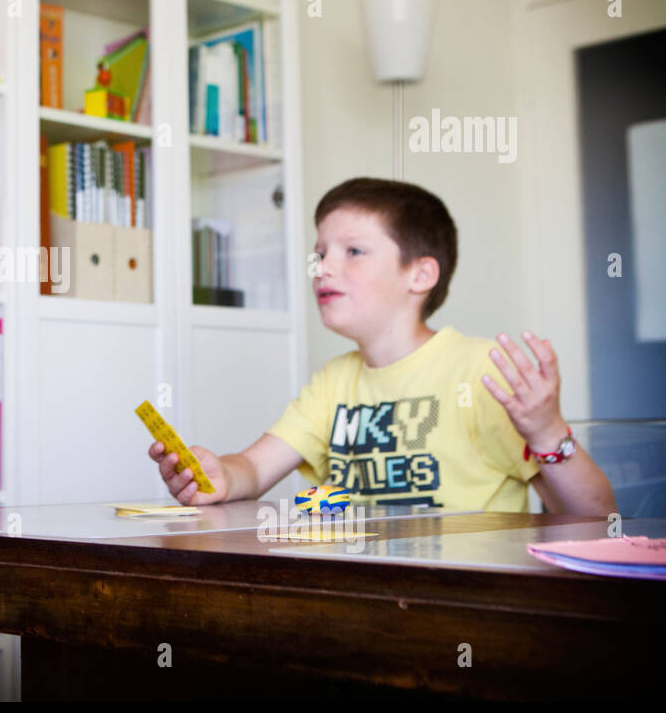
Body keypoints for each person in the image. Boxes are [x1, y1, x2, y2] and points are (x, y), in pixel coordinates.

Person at [150, 177, 617, 516]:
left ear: (421, 274)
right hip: (364, 598)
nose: (324, 268)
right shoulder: (334, 382)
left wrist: (546, 430)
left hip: (466, 604)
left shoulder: (481, 372)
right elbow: (252, 468)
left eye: (352, 251)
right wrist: (215, 475)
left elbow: (596, 517)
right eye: (320, 254)